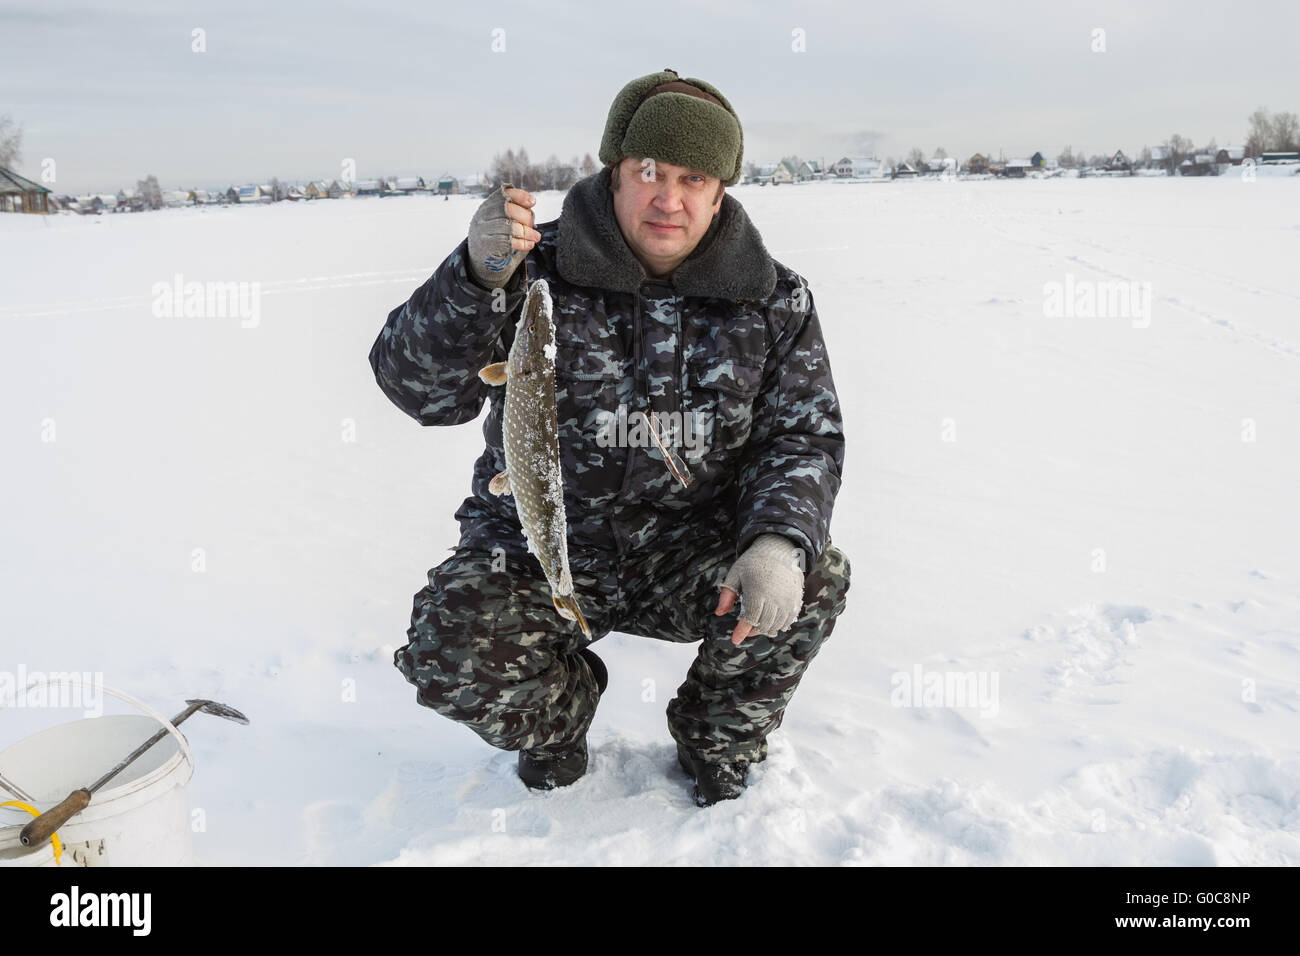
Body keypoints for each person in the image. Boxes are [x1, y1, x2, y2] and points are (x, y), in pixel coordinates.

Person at [368, 68, 849, 807]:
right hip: (542, 541)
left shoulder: (774, 300)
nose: (669, 198)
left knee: (808, 578)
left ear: (720, 190)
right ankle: (556, 725)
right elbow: (419, 392)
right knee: (450, 646)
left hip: (690, 552)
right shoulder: (530, 272)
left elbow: (803, 439)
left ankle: (717, 737)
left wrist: (779, 541)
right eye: (649, 171)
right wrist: (471, 279)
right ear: (615, 173)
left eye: (695, 178)